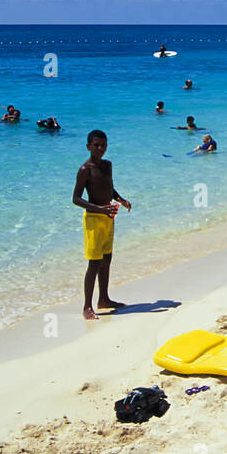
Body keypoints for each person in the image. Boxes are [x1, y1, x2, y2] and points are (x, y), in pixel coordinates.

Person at [72, 129, 131, 320]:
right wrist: (100, 209)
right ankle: (87, 307)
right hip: (93, 220)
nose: (100, 148)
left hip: (109, 217)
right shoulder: (85, 170)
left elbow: (109, 187)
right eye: (96, 145)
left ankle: (104, 299)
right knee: (94, 263)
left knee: (106, 260)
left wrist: (120, 199)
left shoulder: (107, 165)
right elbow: (76, 199)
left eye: (103, 145)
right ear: (88, 146)